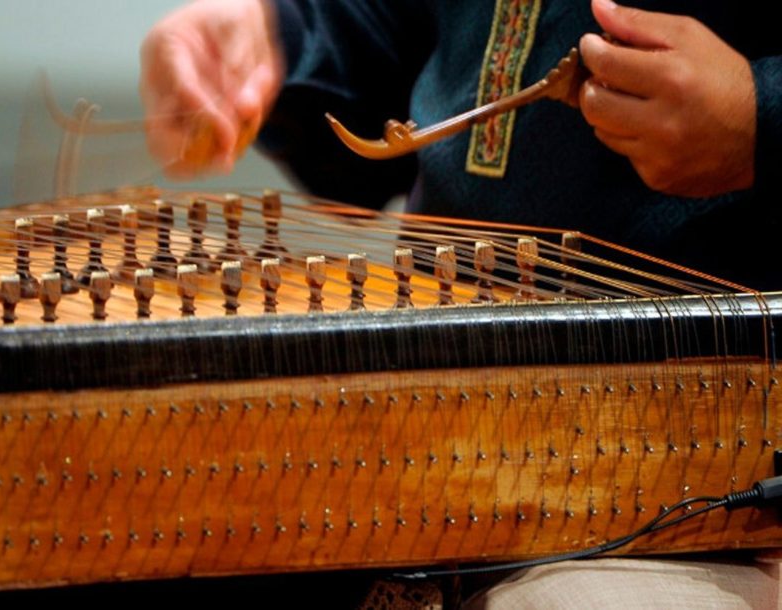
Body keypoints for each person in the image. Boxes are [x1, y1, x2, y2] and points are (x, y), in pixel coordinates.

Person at [139, 0, 782, 607]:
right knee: (169, 508)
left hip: (706, 459)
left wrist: (761, 114)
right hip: (425, 411)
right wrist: (274, 37)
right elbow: (397, 35)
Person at [140, 0, 781, 291]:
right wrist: (277, 35)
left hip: (712, 407)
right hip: (433, 349)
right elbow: (418, 32)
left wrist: (759, 117)